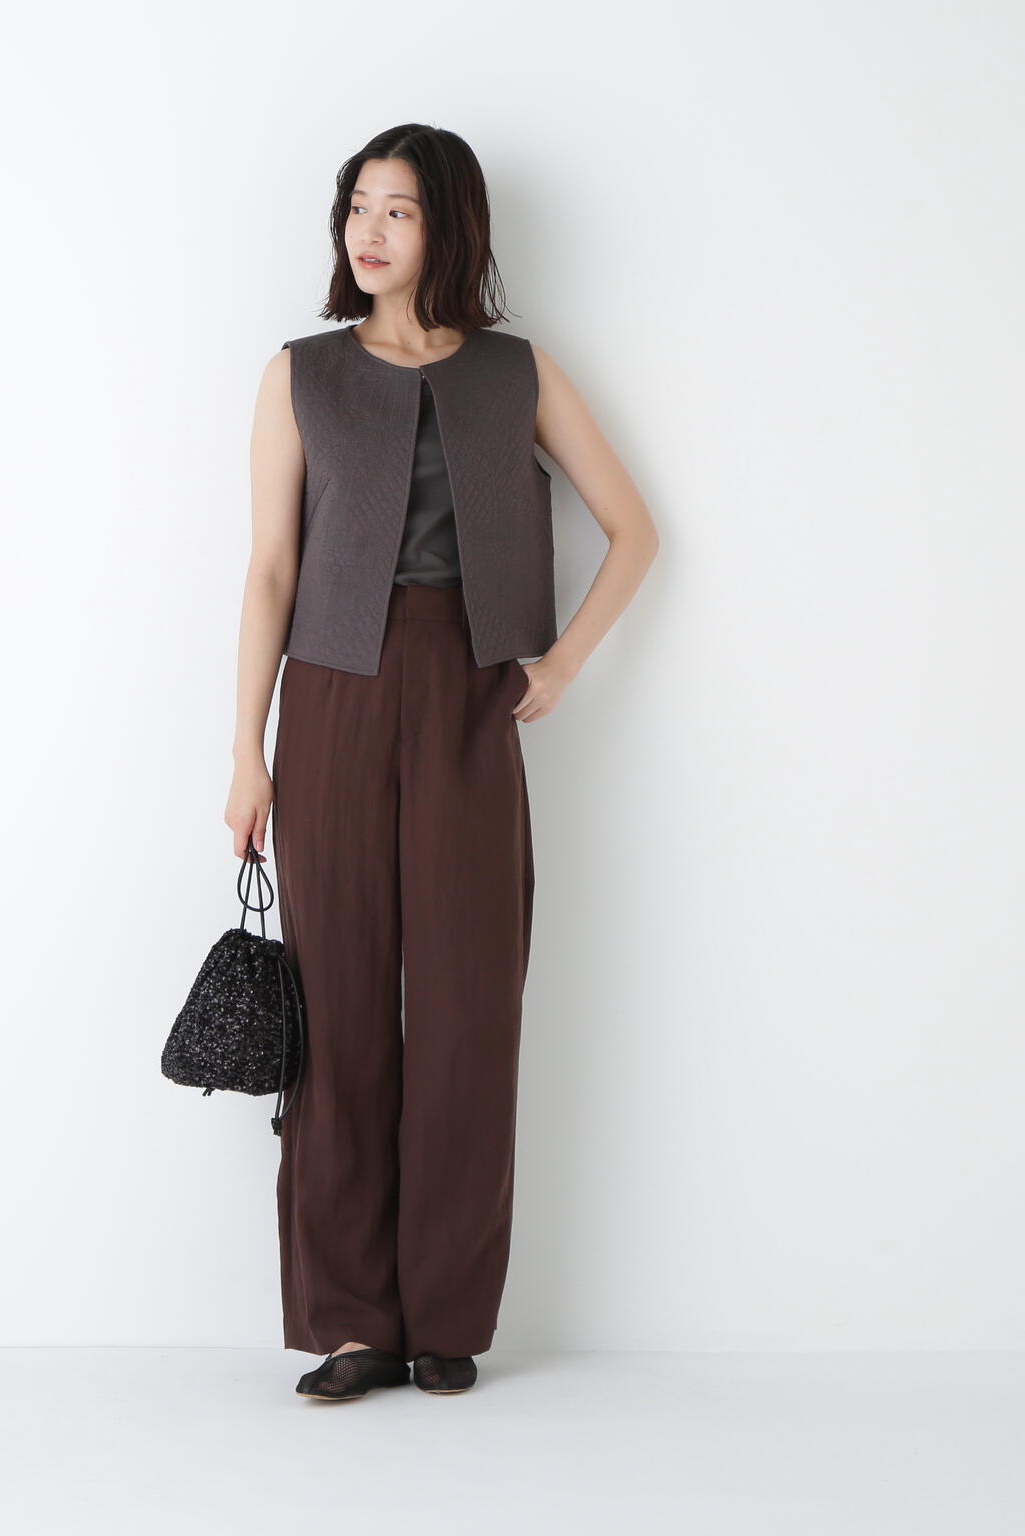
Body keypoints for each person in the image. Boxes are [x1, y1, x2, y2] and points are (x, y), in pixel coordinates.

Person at [225, 123, 659, 1400]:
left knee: (471, 1008)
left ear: (449, 227)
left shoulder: (514, 372)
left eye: (399, 211)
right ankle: (351, 1320)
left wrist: (559, 664)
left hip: (473, 697)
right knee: (340, 1007)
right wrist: (245, 753)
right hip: (332, 697)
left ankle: (447, 1316)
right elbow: (268, 570)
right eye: (357, 205)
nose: (367, 232)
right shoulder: (299, 374)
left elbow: (632, 529)